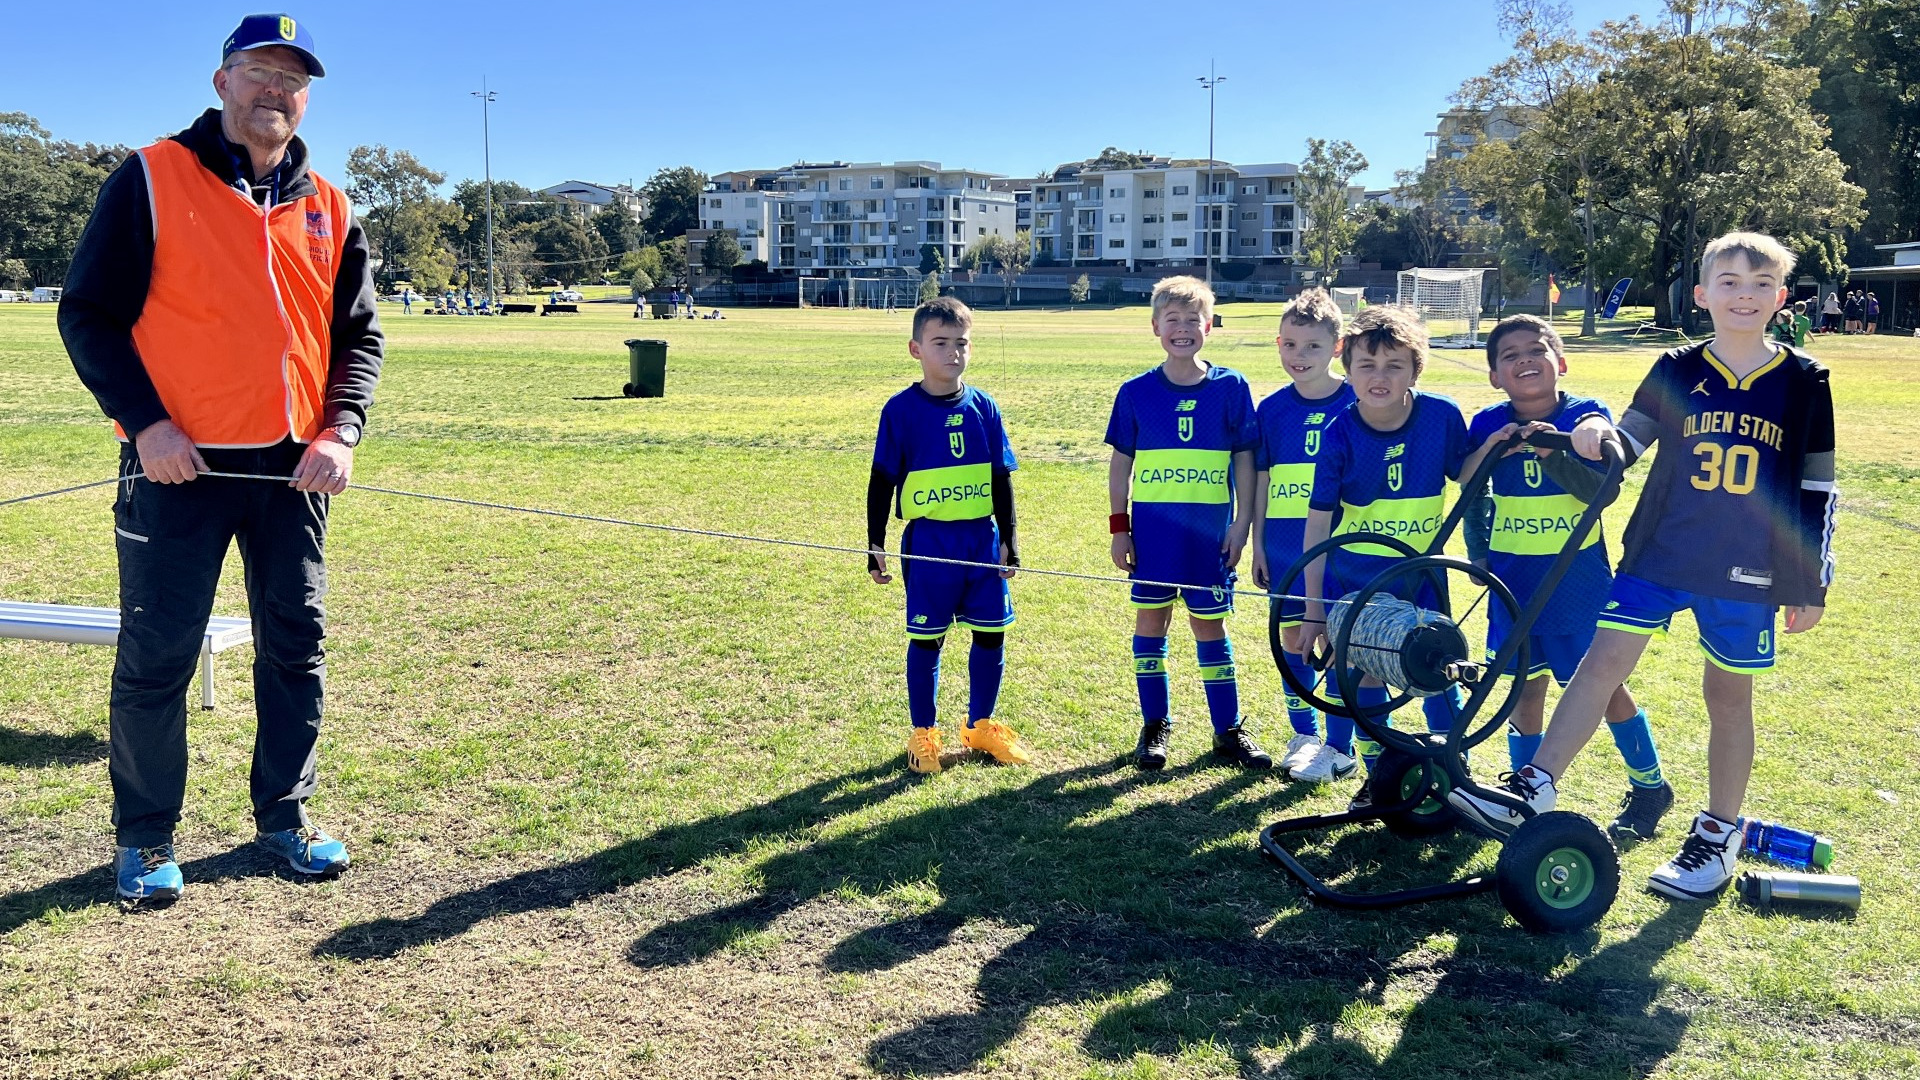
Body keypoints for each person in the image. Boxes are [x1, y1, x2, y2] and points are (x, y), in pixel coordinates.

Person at [58, 13, 382, 906]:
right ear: (221, 82)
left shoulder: (331, 204)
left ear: (306, 96)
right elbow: (87, 314)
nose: (275, 90)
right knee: (159, 655)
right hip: (178, 473)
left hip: (293, 475)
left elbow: (357, 335)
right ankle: (146, 838)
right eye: (258, 72)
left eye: (293, 78)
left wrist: (340, 428)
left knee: (295, 649)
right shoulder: (152, 177)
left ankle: (284, 817)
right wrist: (146, 425)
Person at [1450, 232, 1837, 902]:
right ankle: (1533, 787)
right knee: (1600, 664)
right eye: (1729, 281)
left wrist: (1812, 579)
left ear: (1780, 297)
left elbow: (1817, 486)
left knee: (1728, 697)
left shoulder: (1804, 381)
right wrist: (1599, 437)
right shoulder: (1676, 368)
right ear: (1702, 293)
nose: (1743, 294)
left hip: (1745, 568)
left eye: (1759, 283)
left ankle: (1717, 836)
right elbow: (1628, 437)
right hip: (1662, 552)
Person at [1458, 315, 1672, 842]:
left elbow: (1597, 486)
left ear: (1561, 362)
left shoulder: (1582, 415)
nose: (1524, 360)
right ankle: (1522, 795)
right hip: (1512, 580)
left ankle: (1649, 785)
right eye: (1509, 355)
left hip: (1575, 579)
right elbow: (1469, 488)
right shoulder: (1488, 423)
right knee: (1523, 690)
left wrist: (1557, 446)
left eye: (1537, 349)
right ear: (1494, 376)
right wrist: (1479, 553)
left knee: (1600, 685)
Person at [1298, 305, 1471, 809]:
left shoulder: (1440, 416)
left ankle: (1455, 772)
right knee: (1363, 673)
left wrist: (1503, 440)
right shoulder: (1339, 431)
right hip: (1357, 582)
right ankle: (1380, 776)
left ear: (1416, 369)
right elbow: (1317, 525)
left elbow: (1466, 473)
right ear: (1346, 369)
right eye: (1366, 366)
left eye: (1394, 365)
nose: (1379, 377)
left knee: (1440, 667)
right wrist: (1313, 609)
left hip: (1421, 578)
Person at [1106, 276, 1272, 771]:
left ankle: (1228, 730)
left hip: (1209, 540)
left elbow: (1245, 459)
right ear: (1156, 326)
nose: (1183, 329)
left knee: (1210, 628)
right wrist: (1119, 527)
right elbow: (1121, 467)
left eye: (1192, 319)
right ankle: (1155, 726)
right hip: (1155, 538)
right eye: (1171, 320)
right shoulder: (1136, 392)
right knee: (1151, 623)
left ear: (1209, 325)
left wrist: (1241, 523)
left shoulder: (1231, 387)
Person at [868, 297, 1029, 774]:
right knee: (927, 639)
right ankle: (924, 733)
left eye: (960, 343)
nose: (952, 353)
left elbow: (1001, 477)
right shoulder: (900, 410)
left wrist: (1010, 538)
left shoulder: (985, 406)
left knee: (992, 634)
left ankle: (981, 726)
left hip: (981, 540)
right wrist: (875, 542)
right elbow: (881, 481)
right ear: (916, 349)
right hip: (930, 545)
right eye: (940, 343)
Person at [1249, 287, 1355, 783]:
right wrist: (1257, 541)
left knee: (1342, 644)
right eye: (1289, 345)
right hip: (1287, 547)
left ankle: (1340, 744)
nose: (1299, 356)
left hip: (1343, 548)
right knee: (1294, 639)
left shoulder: (1357, 398)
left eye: (1312, 346)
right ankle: (1303, 734)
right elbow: (1262, 480)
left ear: (1337, 347)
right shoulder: (1270, 410)